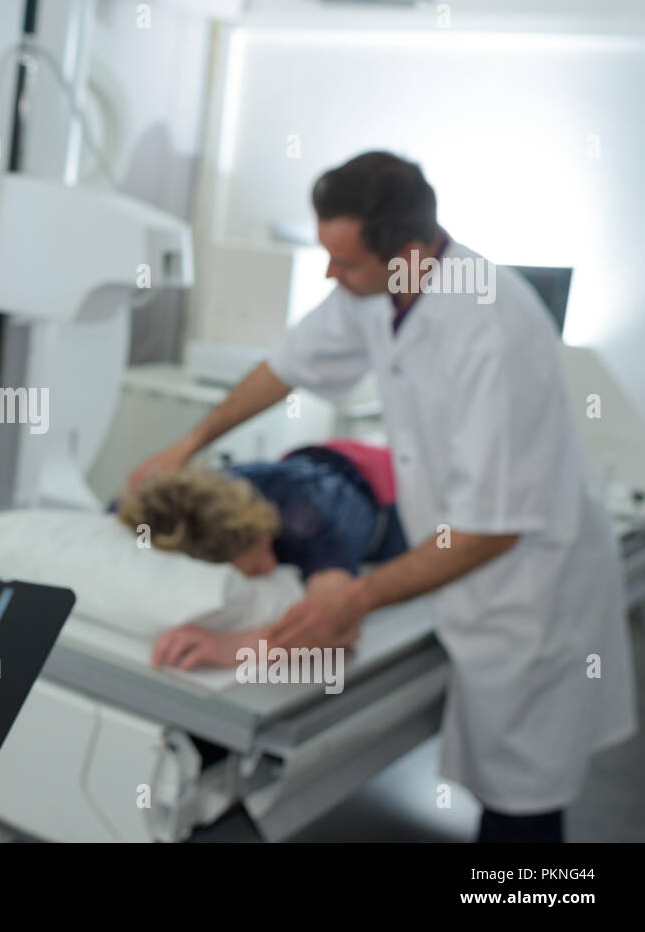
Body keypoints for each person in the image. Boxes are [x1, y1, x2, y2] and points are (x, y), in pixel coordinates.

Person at [127, 150, 636, 843]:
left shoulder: (492, 331)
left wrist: (355, 596)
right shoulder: (379, 292)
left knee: (521, 802)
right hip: (453, 542)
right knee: (508, 780)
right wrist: (186, 445)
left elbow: (492, 530)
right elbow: (284, 366)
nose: (332, 275)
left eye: (347, 262)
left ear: (414, 251)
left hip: (531, 587)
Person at [114, 440, 407, 669]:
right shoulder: (210, 493)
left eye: (266, 549)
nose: (269, 566)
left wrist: (236, 646)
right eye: (254, 566)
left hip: (392, 490)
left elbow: (342, 624)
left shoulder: (303, 524)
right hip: (320, 458)